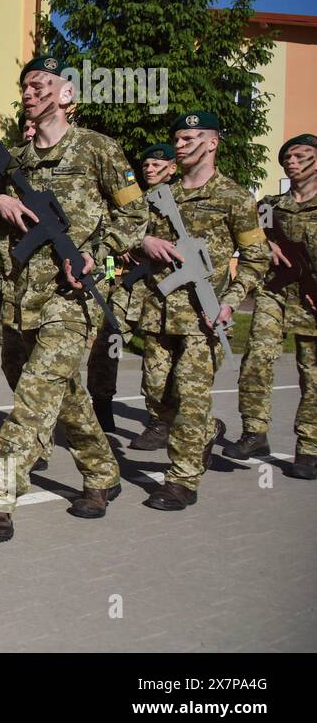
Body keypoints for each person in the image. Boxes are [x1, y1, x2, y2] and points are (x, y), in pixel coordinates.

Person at [0, 57, 142, 547]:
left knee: (32, 402)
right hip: (16, 300)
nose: (30, 92)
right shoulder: (13, 160)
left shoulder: (98, 150)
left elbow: (136, 216)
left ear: (67, 95)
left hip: (70, 299)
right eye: (26, 85)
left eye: (42, 84)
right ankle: (101, 472)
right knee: (61, 394)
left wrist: (95, 254)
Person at [134, 112, 269, 510]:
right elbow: (124, 230)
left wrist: (231, 301)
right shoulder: (161, 194)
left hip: (202, 317)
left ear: (212, 143)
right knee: (158, 394)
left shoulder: (234, 197)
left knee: (192, 399)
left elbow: (256, 257)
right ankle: (207, 431)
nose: (181, 143)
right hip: (158, 310)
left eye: (191, 137)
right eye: (177, 137)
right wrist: (145, 242)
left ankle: (182, 480)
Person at [227, 134, 317, 479]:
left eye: (301, 155)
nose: (291, 161)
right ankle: (254, 431)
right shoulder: (269, 206)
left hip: (311, 300)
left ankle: (308, 448)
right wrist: (266, 243)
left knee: (312, 375)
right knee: (257, 357)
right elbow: (247, 235)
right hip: (275, 292)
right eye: (287, 157)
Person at [89, 142, 177, 436]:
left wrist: (138, 243)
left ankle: (159, 419)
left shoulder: (180, 201)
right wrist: (116, 260)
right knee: (106, 347)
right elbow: (111, 232)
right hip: (126, 288)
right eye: (147, 165)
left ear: (172, 169)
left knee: (157, 358)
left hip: (160, 290)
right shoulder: (131, 198)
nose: (150, 170)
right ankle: (102, 408)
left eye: (157, 166)